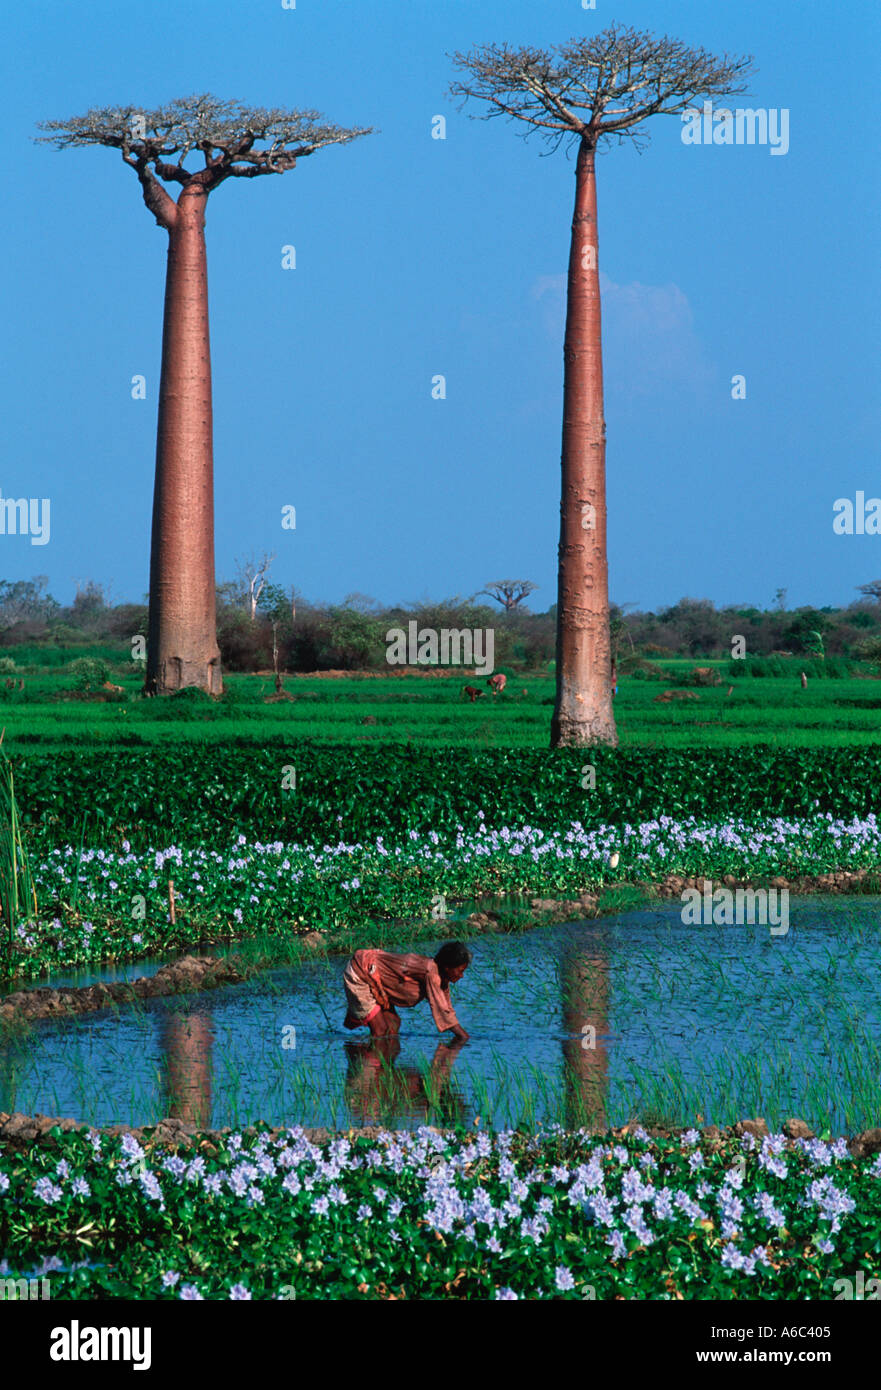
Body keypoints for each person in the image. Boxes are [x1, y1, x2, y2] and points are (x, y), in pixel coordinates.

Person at [342, 941, 471, 1041]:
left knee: (393, 1025)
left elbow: (447, 1007)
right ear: (448, 968)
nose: (461, 975)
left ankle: (385, 1070)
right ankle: (372, 1068)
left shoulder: (442, 979)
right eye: (460, 971)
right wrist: (465, 1038)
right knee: (380, 1030)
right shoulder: (431, 973)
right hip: (362, 971)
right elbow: (443, 1012)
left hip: (375, 979)